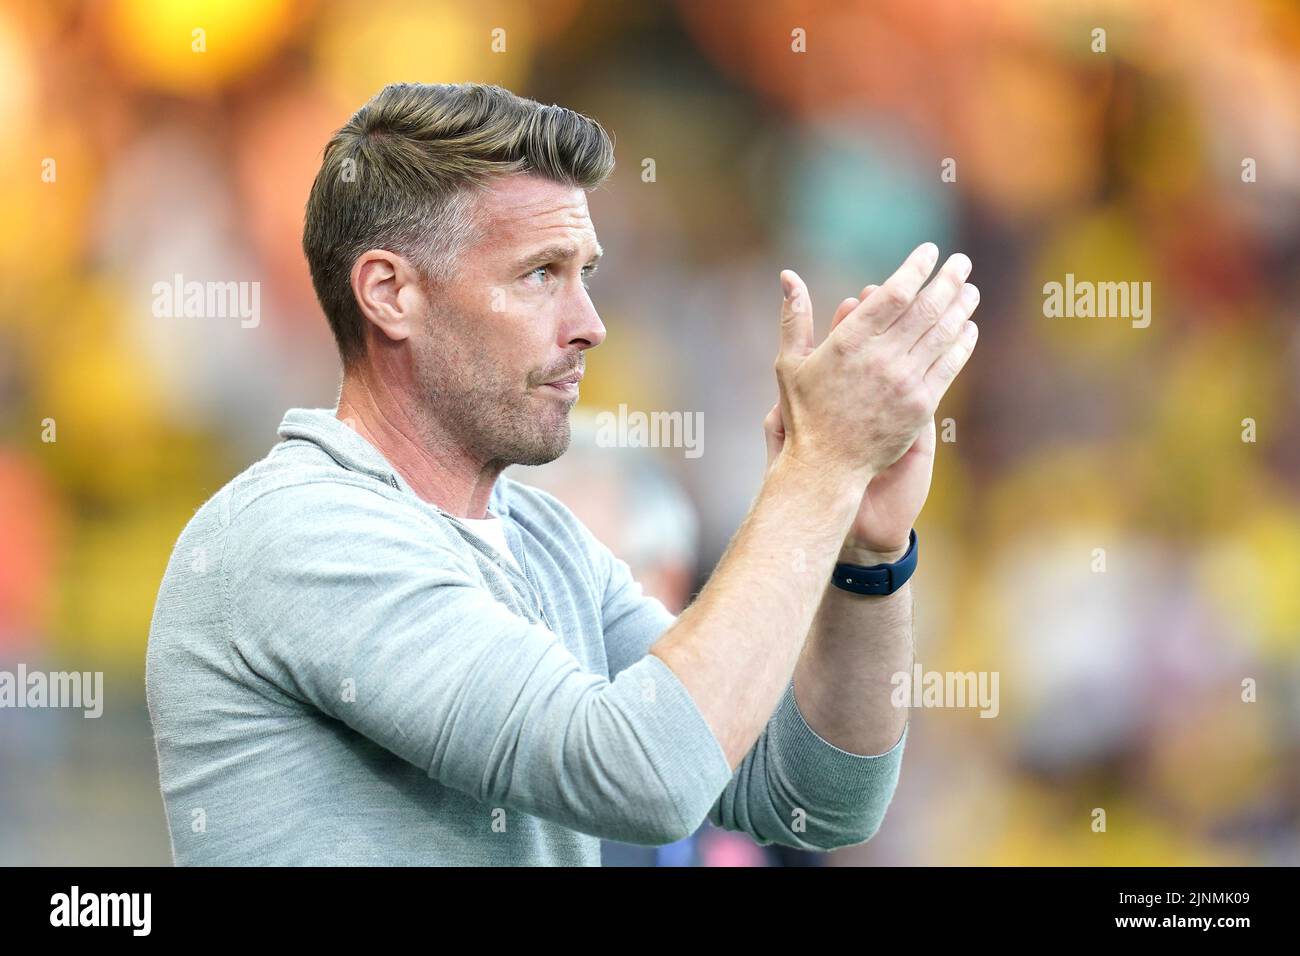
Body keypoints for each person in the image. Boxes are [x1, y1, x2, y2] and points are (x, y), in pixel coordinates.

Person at [145, 82, 980, 865]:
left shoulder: (549, 543)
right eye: (541, 274)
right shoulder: (296, 532)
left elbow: (815, 799)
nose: (590, 325)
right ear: (390, 293)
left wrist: (864, 550)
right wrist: (815, 470)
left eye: (587, 275)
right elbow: (647, 777)